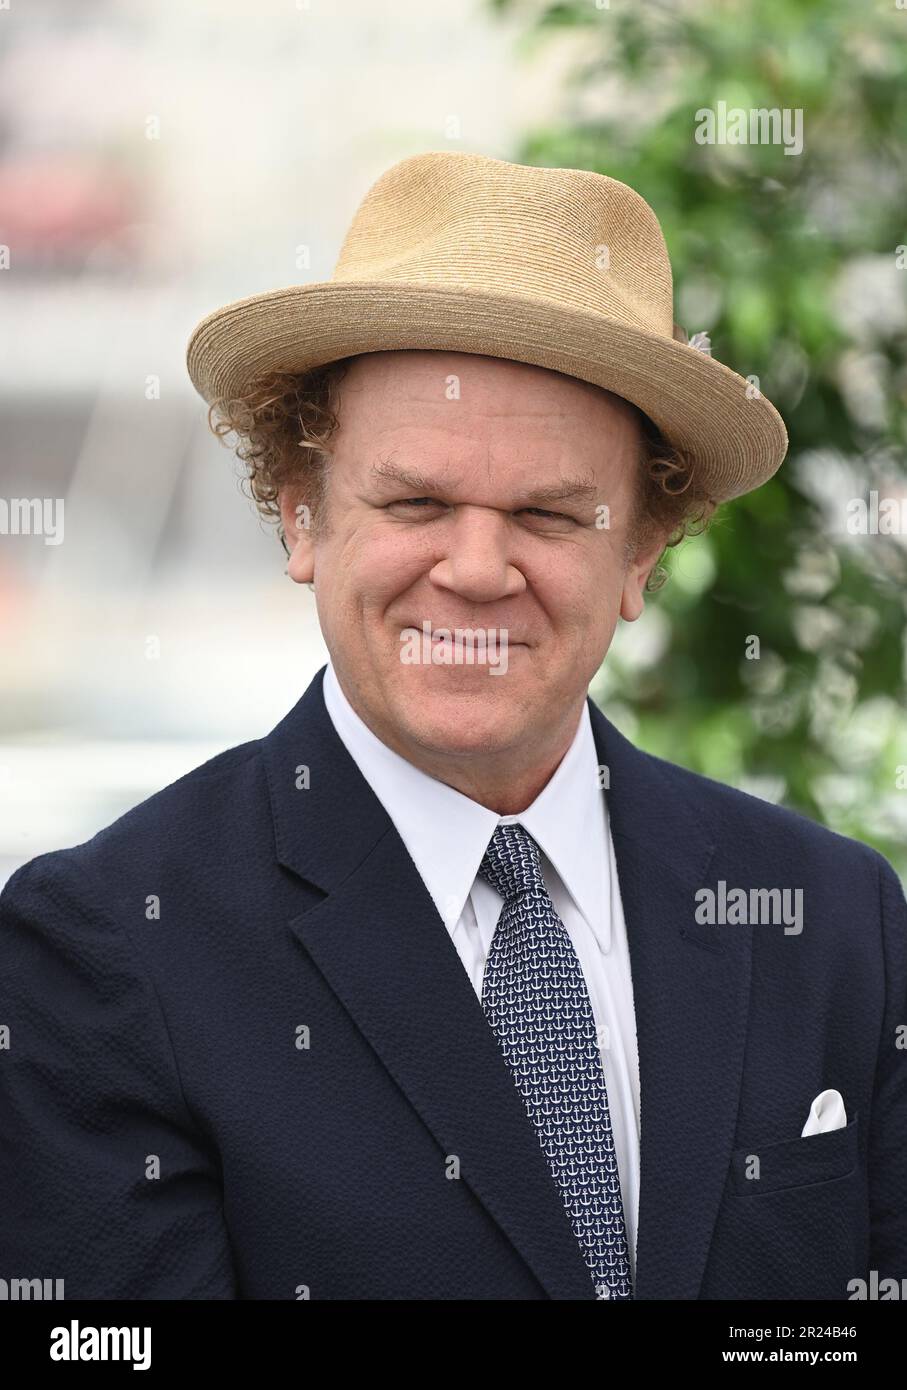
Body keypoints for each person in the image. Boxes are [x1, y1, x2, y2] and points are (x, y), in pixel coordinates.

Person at [1, 151, 904, 1301]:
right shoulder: (102, 946)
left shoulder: (835, 922)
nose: (477, 569)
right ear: (301, 517)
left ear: (638, 553)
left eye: (546, 513)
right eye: (415, 501)